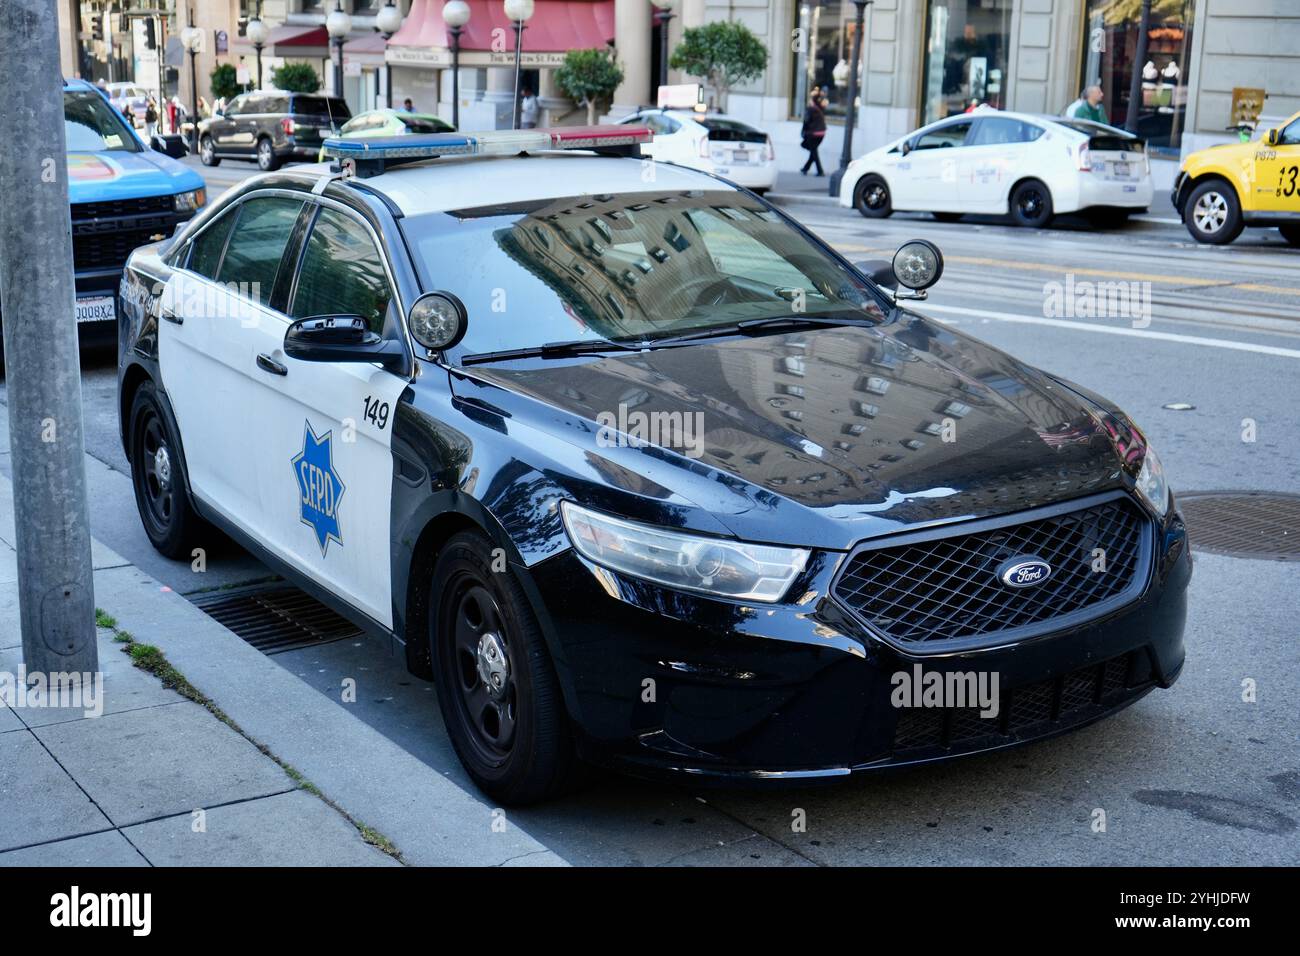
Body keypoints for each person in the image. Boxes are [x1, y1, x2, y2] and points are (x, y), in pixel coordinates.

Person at [800, 92, 827, 177]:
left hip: (813, 134)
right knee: (813, 151)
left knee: (814, 152)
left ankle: (820, 171)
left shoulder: (811, 109)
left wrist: (803, 131)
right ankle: (805, 168)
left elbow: (806, 121)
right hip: (821, 134)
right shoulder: (820, 108)